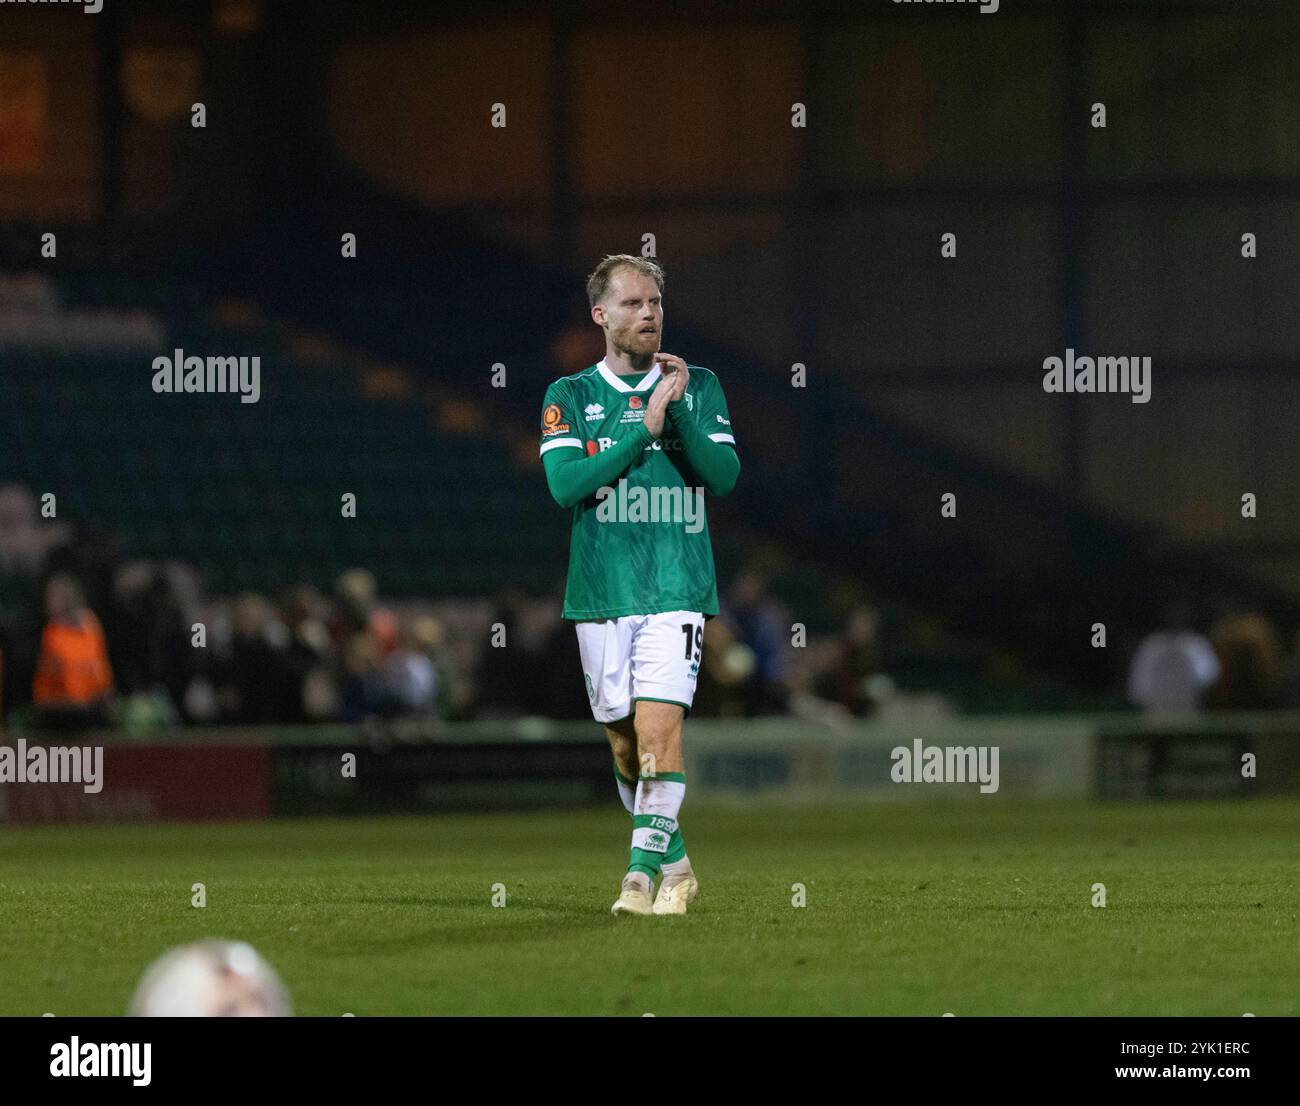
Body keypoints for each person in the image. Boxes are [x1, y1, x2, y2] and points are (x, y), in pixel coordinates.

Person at [538, 254, 740, 917]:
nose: (648, 312)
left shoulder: (697, 384)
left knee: (659, 739)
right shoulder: (569, 396)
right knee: (626, 748)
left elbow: (724, 476)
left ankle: (638, 878)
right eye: (632, 303)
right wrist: (642, 432)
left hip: (676, 589)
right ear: (601, 315)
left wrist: (674, 415)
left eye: (655, 302)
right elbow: (567, 486)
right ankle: (676, 866)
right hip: (601, 593)